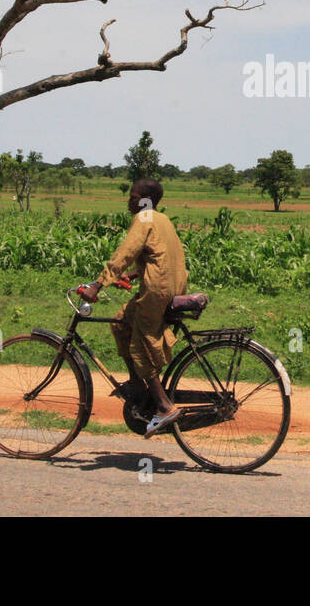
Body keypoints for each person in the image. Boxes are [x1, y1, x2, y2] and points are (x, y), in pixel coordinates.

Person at [79, 178, 187, 437]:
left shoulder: (144, 219)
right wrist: (134, 275)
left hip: (157, 291)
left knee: (141, 345)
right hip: (170, 285)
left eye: (134, 196)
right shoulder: (162, 219)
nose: (129, 200)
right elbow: (158, 256)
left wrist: (98, 284)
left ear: (146, 200)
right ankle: (139, 386)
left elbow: (125, 252)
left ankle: (163, 406)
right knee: (121, 321)